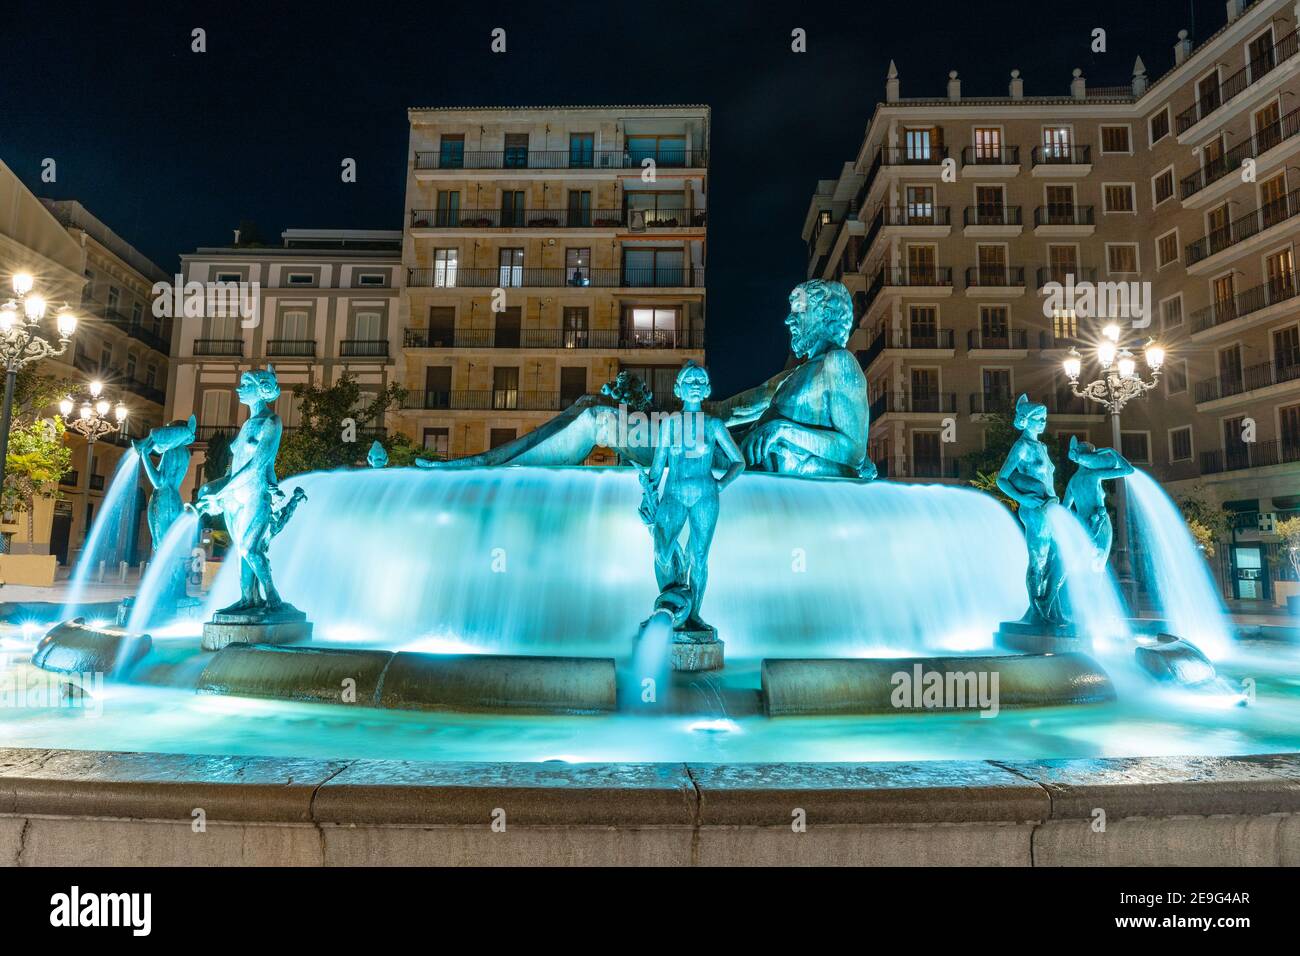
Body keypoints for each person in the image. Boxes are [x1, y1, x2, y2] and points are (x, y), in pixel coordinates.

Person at [638, 362, 744, 631]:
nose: (695, 384)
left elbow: (738, 461)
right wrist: (648, 495)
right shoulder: (669, 424)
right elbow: (658, 464)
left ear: (707, 389)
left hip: (705, 497)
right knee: (662, 551)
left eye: (700, 380)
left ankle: (693, 614)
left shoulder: (714, 425)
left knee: (699, 557)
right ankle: (670, 604)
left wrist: (720, 485)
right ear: (678, 389)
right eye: (689, 380)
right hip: (673, 494)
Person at [1062, 436, 1134, 572]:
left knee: (1082, 566)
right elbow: (1128, 470)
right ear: (1091, 458)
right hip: (1100, 523)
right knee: (1097, 567)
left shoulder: (1073, 481)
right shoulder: (1095, 475)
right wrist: (1112, 451)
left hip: (1081, 525)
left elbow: (1064, 508)